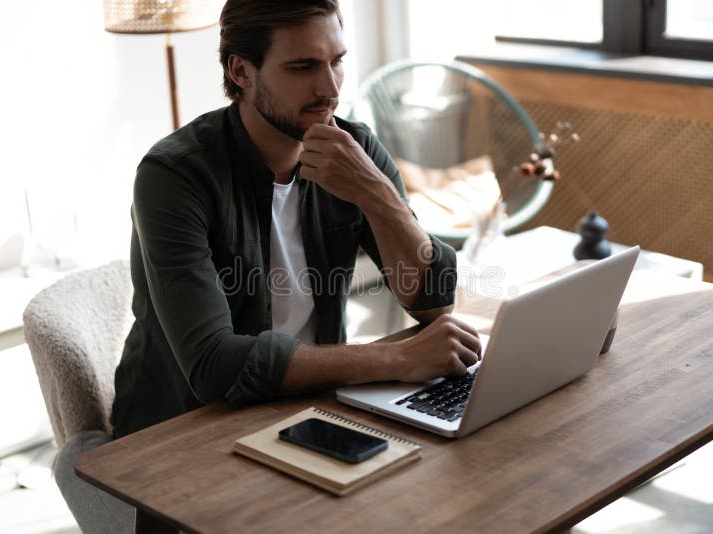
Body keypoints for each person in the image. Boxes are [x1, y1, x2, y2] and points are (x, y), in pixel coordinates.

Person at [109, 0, 482, 439]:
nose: (330, 89)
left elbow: (433, 301)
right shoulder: (174, 177)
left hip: (312, 405)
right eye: (303, 67)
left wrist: (378, 195)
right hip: (183, 430)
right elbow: (213, 364)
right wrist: (399, 359)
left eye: (336, 62)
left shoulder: (354, 148)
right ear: (241, 72)